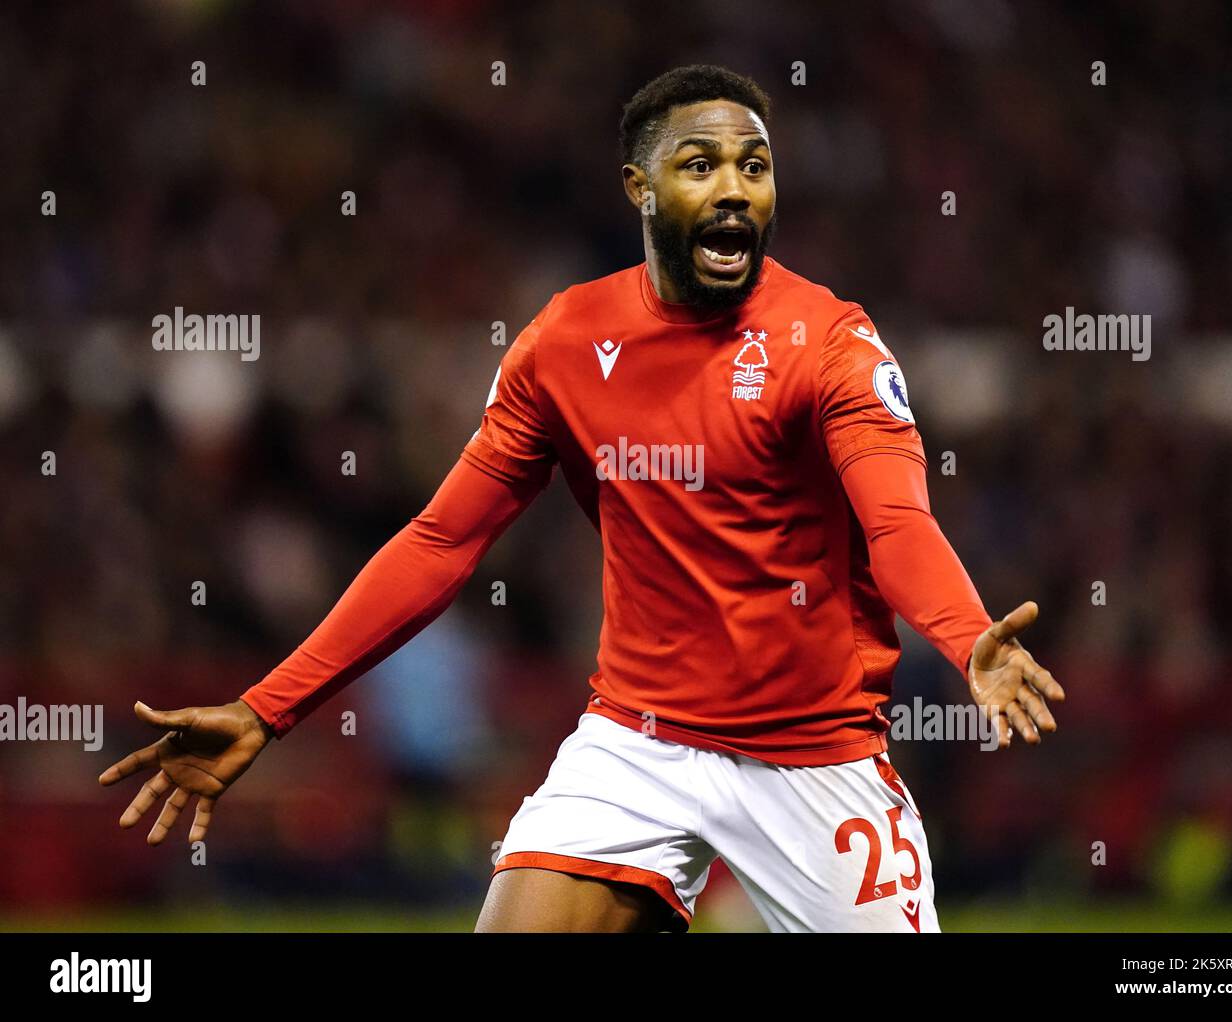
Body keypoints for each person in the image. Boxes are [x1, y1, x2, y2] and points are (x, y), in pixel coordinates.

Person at [100, 64, 1063, 933]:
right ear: (640, 190)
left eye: (755, 166)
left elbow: (896, 520)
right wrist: (269, 709)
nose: (734, 186)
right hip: (636, 743)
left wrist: (964, 631)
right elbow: (441, 543)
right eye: (700, 164)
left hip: (814, 755)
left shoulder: (833, 344)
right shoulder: (564, 346)